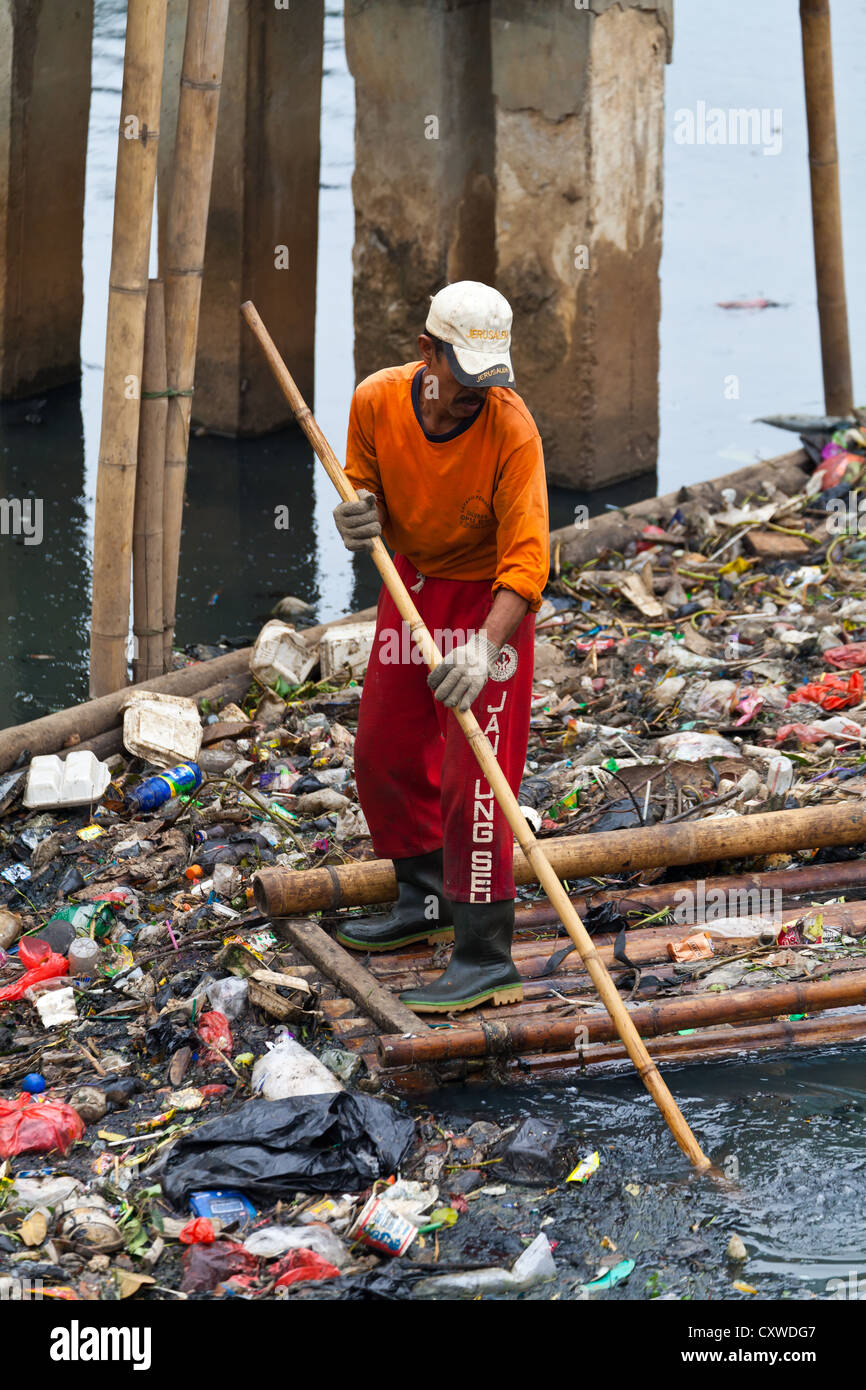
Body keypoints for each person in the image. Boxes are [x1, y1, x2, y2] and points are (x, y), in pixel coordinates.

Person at [332, 281, 549, 1014]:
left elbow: (528, 560)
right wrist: (359, 515)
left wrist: (485, 647)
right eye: (462, 383)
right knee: (383, 750)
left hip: (490, 607)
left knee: (477, 781)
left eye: (487, 385)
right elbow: (362, 482)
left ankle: (485, 952)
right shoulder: (375, 399)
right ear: (427, 353)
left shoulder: (512, 431)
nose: (473, 399)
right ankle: (422, 899)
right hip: (414, 586)